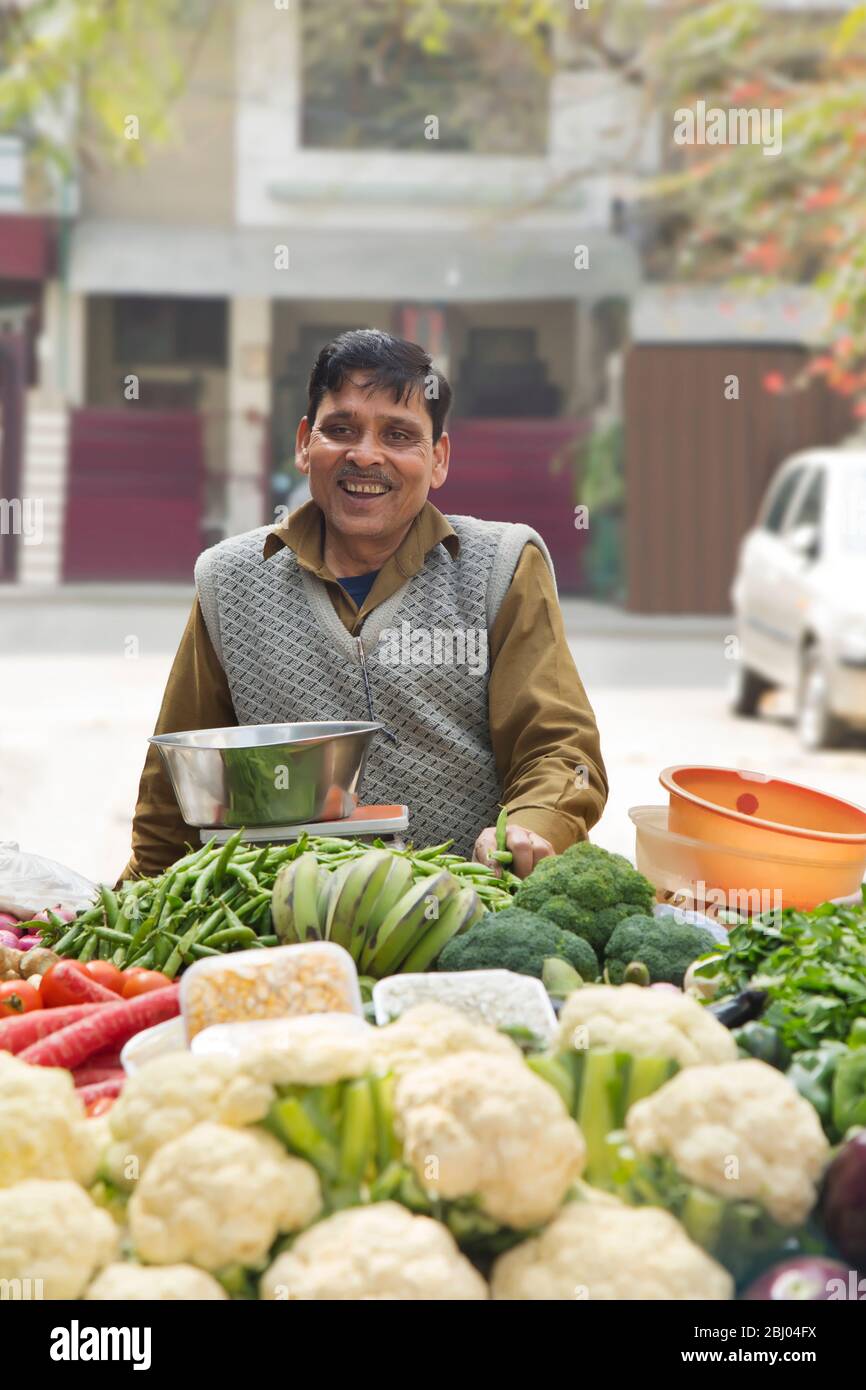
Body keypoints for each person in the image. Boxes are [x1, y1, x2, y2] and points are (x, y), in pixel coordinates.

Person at [119, 330, 607, 881]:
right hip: (284, 931)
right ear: (305, 443)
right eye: (341, 430)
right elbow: (178, 787)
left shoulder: (503, 566)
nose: (365, 455)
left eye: (399, 435)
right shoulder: (228, 580)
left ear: (438, 458)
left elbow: (560, 749)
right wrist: (137, 909)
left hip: (466, 920)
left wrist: (530, 823)